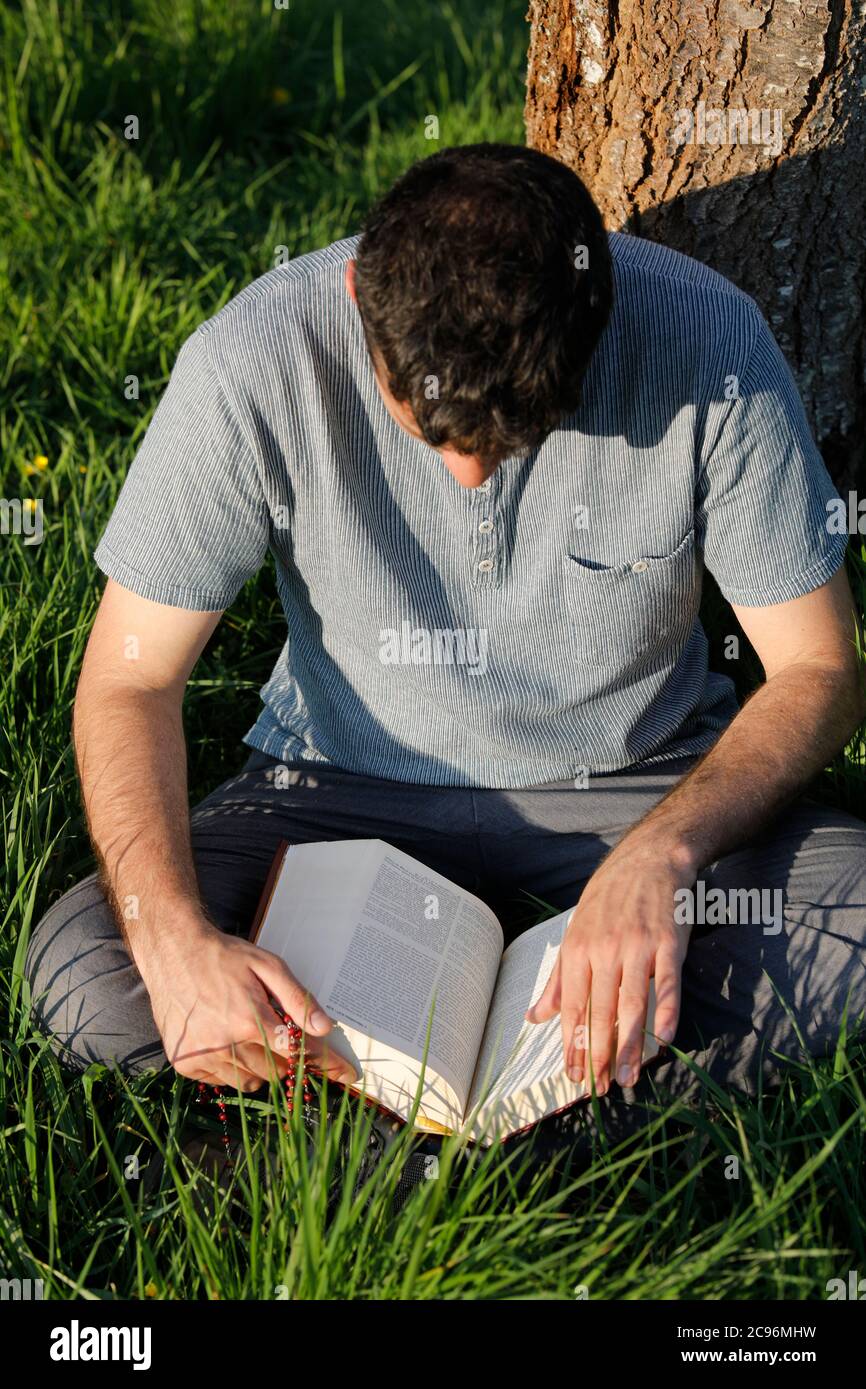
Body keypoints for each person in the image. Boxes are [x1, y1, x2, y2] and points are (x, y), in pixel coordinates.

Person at [26, 144, 866, 1162]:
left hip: (632, 789)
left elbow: (817, 669)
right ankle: (559, 1123)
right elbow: (129, 676)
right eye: (425, 426)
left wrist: (664, 853)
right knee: (83, 974)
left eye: (515, 433)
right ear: (354, 294)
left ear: (596, 331)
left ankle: (392, 1136)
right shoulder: (252, 359)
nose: (467, 471)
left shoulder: (705, 338)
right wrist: (171, 944)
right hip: (332, 788)